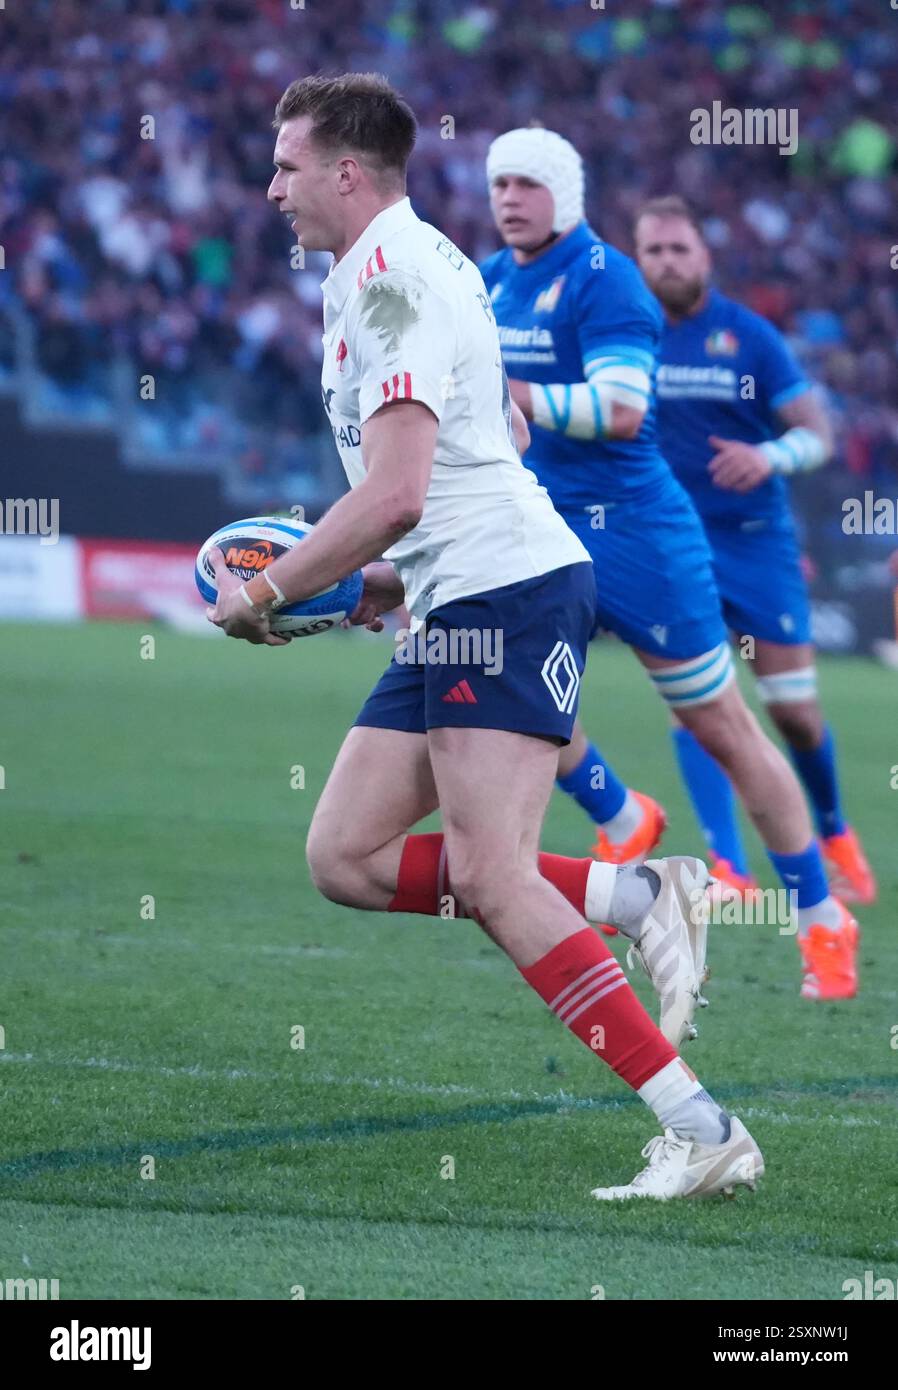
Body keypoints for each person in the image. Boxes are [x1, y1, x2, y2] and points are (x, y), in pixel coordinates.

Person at [207, 73, 762, 1199]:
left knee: (496, 878)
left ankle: (698, 1124)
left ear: (345, 171)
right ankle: (639, 898)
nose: (271, 188)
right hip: (458, 592)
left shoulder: (396, 281)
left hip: (502, 590)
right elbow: (431, 487)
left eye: (285, 164)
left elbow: (400, 492)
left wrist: (268, 594)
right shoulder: (389, 266)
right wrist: (358, 591)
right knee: (346, 857)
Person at [481, 127, 859, 1002]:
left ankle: (820, 916)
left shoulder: (607, 279)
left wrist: (514, 396)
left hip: (642, 538)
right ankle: (622, 812)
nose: (510, 198)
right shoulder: (491, 279)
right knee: (499, 685)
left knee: (727, 725)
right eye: (499, 182)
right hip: (538, 525)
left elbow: (618, 410)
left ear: (565, 193)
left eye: (528, 183)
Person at [633, 193, 876, 916]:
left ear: (705, 258)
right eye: (653, 251)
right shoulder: (628, 337)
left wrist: (769, 455)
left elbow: (819, 433)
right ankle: (728, 865)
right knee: (695, 708)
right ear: (637, 260)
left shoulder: (750, 337)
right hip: (676, 545)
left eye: (680, 249)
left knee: (793, 711)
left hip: (756, 543)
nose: (668, 262)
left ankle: (834, 833)